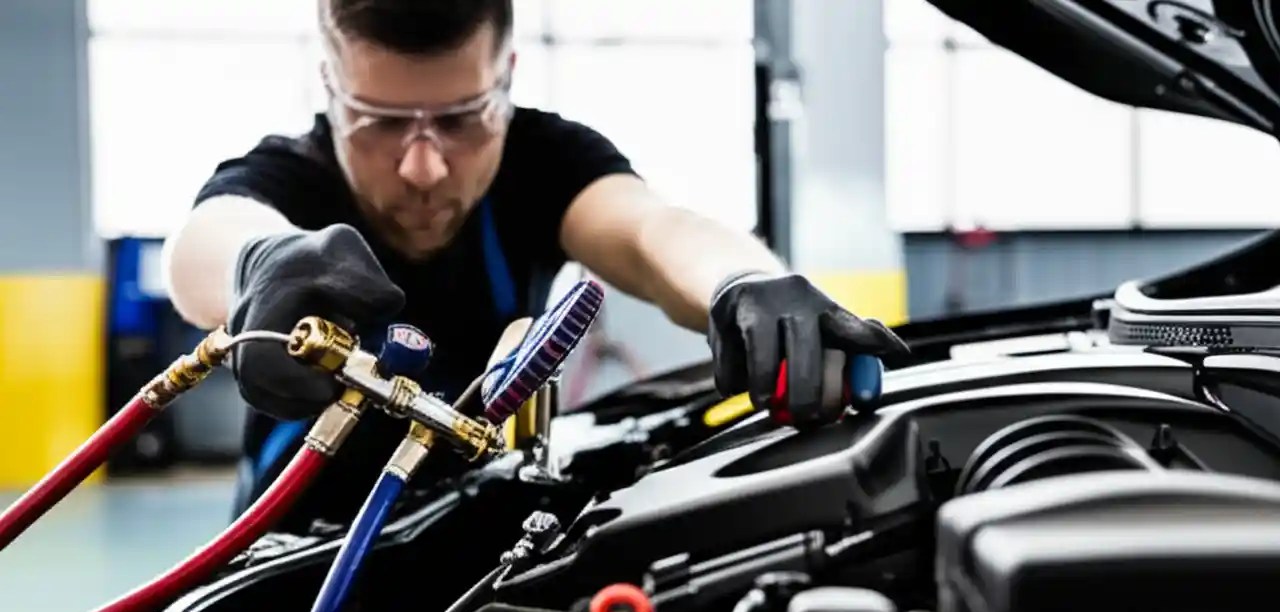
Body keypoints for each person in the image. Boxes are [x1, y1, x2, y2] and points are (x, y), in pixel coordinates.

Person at [161, 0, 909, 530]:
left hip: (483, 537)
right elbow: (206, 244)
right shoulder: (288, 177)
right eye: (381, 123)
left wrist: (738, 282)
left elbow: (650, 232)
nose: (423, 166)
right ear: (330, 87)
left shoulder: (543, 161)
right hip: (286, 561)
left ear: (508, 75)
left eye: (460, 119)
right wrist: (257, 263)